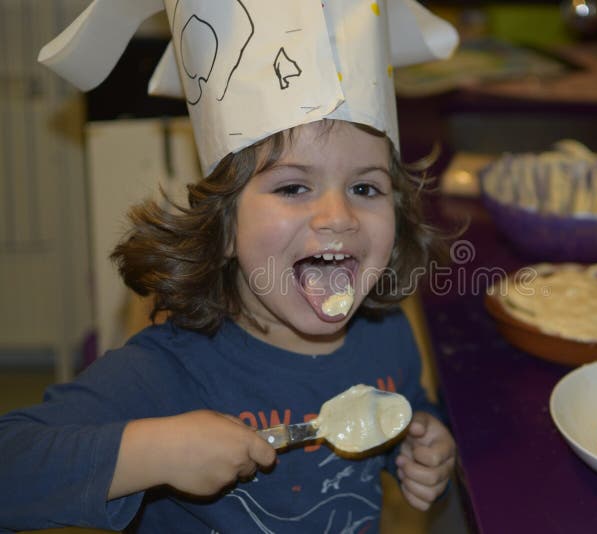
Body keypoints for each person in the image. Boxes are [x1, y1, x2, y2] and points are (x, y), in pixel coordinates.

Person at [0, 0, 459, 531]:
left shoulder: (387, 335)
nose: (338, 216)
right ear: (222, 229)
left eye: (365, 187)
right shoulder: (168, 372)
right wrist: (152, 451)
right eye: (293, 186)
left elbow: (412, 404)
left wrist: (424, 443)